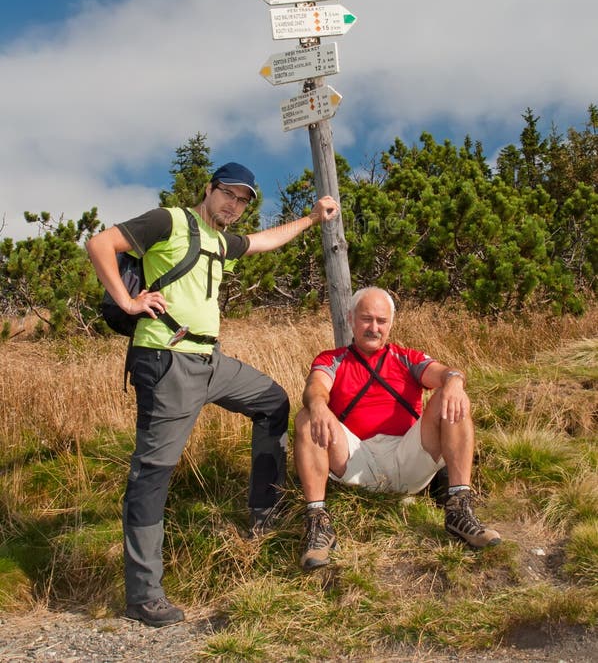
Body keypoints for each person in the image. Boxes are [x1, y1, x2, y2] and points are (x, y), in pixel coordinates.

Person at [87, 162, 339, 626]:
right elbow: (100, 243)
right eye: (229, 194)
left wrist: (311, 218)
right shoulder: (170, 221)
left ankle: (263, 512)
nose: (235, 205)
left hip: (210, 362)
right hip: (166, 361)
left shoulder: (221, 241)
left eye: (244, 201)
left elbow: (263, 241)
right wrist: (128, 301)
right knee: (153, 473)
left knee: (273, 402)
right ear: (210, 188)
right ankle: (144, 596)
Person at [293, 286, 501, 571]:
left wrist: (454, 381)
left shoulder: (407, 358)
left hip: (407, 457)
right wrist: (318, 405)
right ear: (350, 319)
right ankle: (318, 524)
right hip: (357, 459)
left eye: (381, 321)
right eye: (366, 319)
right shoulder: (333, 359)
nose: (374, 327)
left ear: (391, 323)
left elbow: (445, 372)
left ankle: (459, 509)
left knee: (451, 397)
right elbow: (316, 387)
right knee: (307, 415)